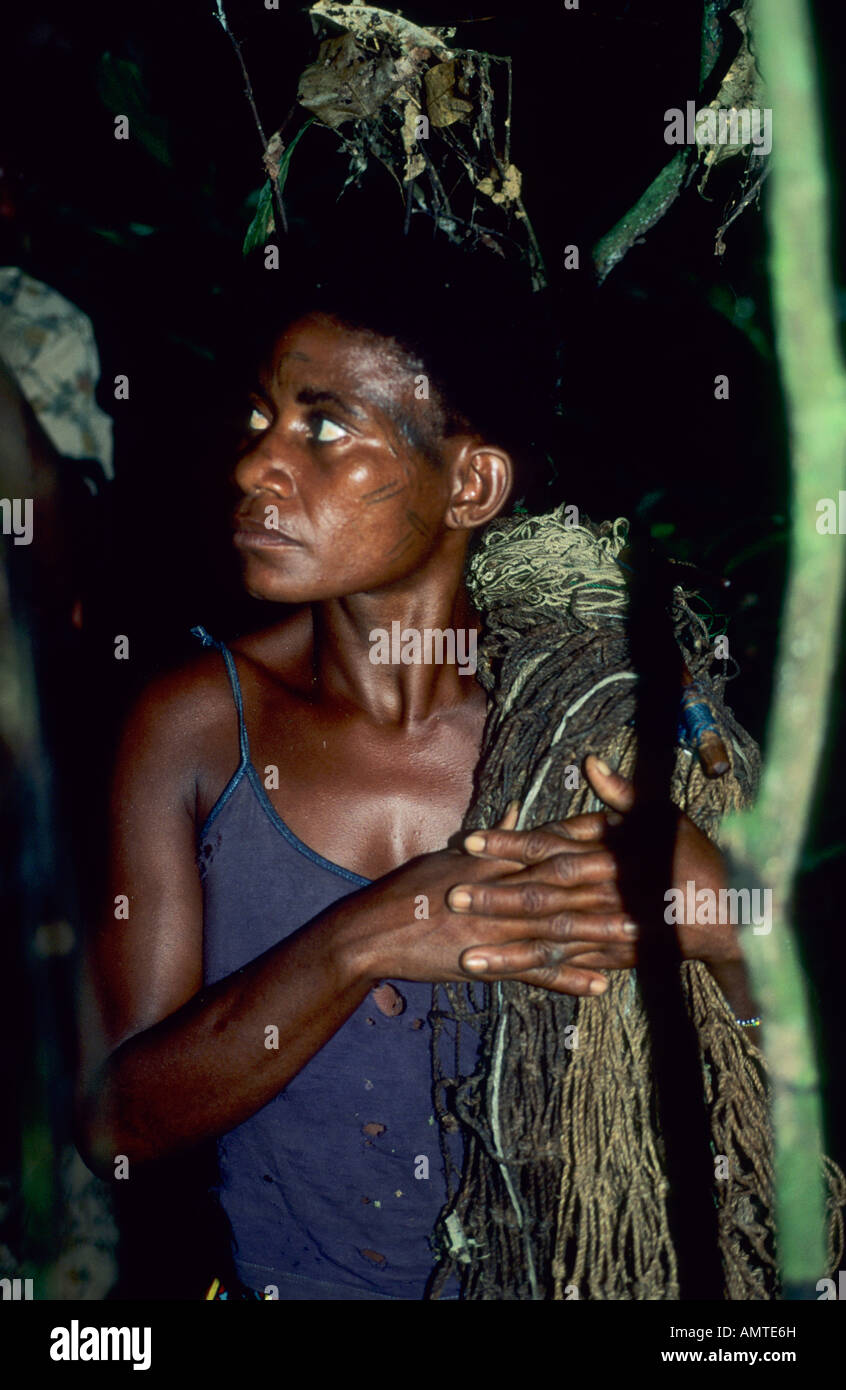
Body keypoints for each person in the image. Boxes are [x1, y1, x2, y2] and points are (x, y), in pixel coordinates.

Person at [75, 231, 774, 1302]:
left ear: (471, 483)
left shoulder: (607, 732)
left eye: (324, 428)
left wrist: (734, 924)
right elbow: (117, 1125)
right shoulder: (195, 728)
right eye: (265, 418)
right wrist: (371, 935)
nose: (257, 463)